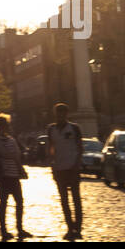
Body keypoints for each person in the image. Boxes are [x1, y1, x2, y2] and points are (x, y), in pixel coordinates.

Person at [0, 113, 31, 240]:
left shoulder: (11, 139)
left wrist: (21, 169)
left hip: (14, 174)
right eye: (5, 125)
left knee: (19, 202)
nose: (7, 127)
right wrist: (10, 155)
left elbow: (16, 156)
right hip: (3, 175)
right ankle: (4, 230)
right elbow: (3, 153)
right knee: (3, 203)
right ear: (0, 126)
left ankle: (20, 228)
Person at [46, 102, 84, 239]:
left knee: (76, 199)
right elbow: (51, 148)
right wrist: (52, 164)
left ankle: (78, 228)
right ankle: (70, 227)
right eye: (58, 113)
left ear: (66, 114)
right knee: (64, 201)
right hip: (59, 168)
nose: (60, 116)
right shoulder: (51, 129)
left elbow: (80, 147)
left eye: (62, 113)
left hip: (72, 167)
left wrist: (77, 164)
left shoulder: (74, 128)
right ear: (55, 114)